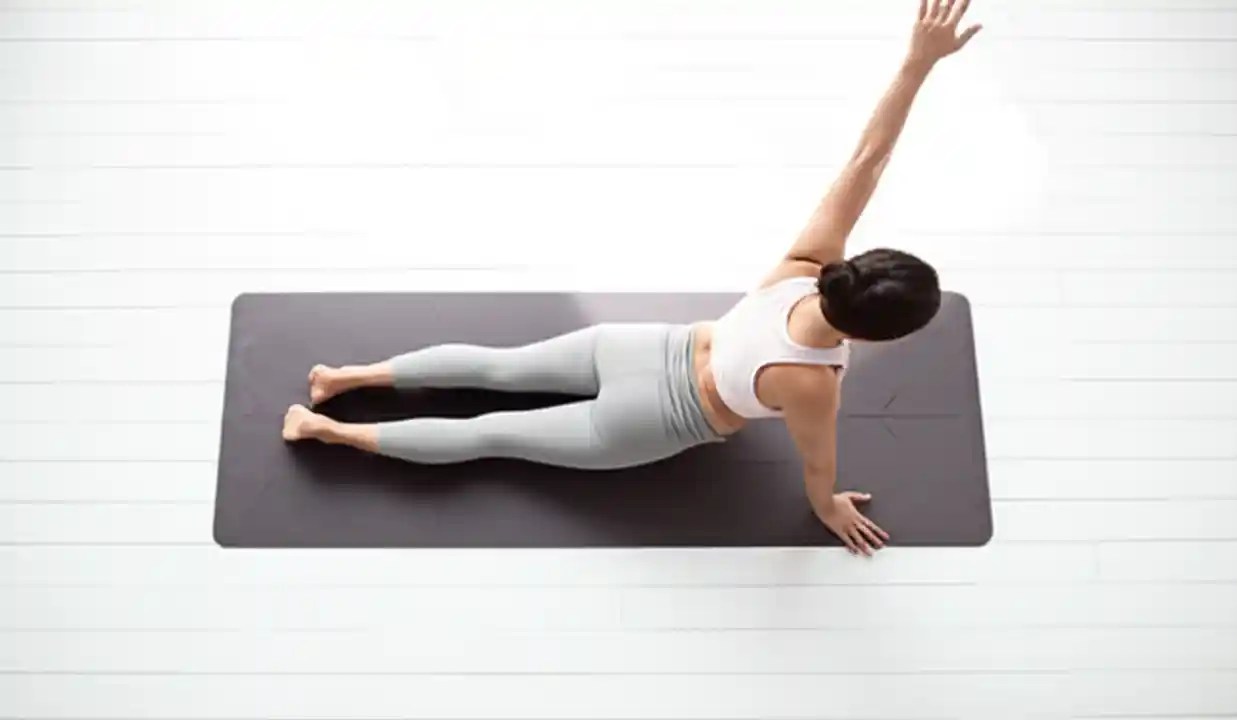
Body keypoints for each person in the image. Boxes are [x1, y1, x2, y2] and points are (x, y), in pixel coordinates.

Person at [281, 0, 983, 556]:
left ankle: (341, 378)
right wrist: (827, 510)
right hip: (650, 420)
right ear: (879, 334)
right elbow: (818, 468)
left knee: (496, 370)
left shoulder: (805, 265)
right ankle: (322, 430)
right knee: (492, 434)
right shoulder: (815, 382)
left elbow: (868, 160)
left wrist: (918, 63)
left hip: (643, 347)